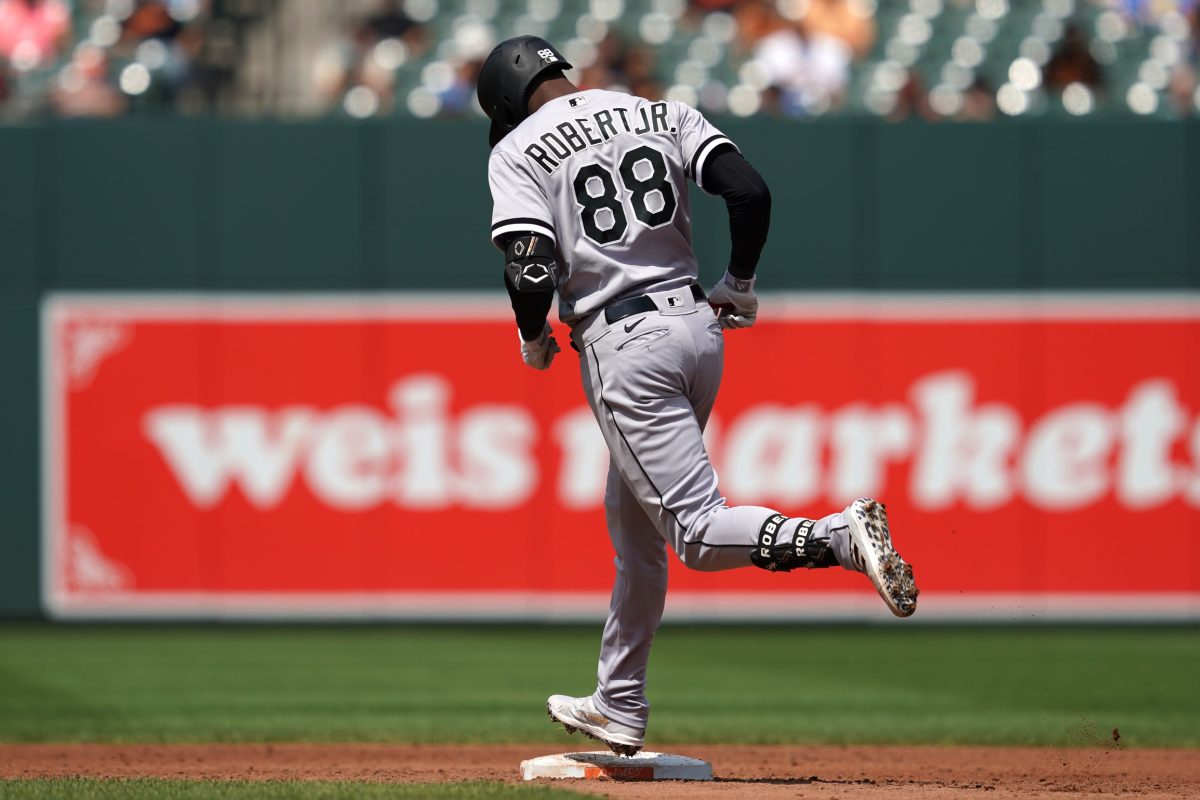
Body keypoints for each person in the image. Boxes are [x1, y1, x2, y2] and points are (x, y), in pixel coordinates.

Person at [477, 35, 918, 758]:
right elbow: (749, 191)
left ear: (505, 101)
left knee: (697, 533)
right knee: (636, 531)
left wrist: (531, 337)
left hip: (623, 339)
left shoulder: (518, 148)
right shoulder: (658, 110)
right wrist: (739, 282)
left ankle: (837, 537)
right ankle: (619, 703)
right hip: (697, 327)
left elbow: (529, 267)